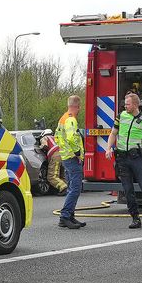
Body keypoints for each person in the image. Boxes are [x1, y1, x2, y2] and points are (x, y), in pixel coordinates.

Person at [104, 92, 142, 229]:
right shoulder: (121, 116)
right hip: (122, 158)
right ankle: (135, 218)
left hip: (137, 158)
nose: (125, 106)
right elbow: (113, 133)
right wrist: (108, 148)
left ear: (135, 105)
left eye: (128, 104)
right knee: (128, 190)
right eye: (125, 103)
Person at [56, 95, 86, 229]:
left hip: (66, 157)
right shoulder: (71, 120)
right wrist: (77, 152)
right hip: (72, 158)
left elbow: (57, 137)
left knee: (71, 188)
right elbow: (72, 138)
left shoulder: (63, 118)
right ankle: (65, 216)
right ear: (77, 106)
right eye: (79, 108)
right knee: (75, 188)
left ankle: (70, 216)